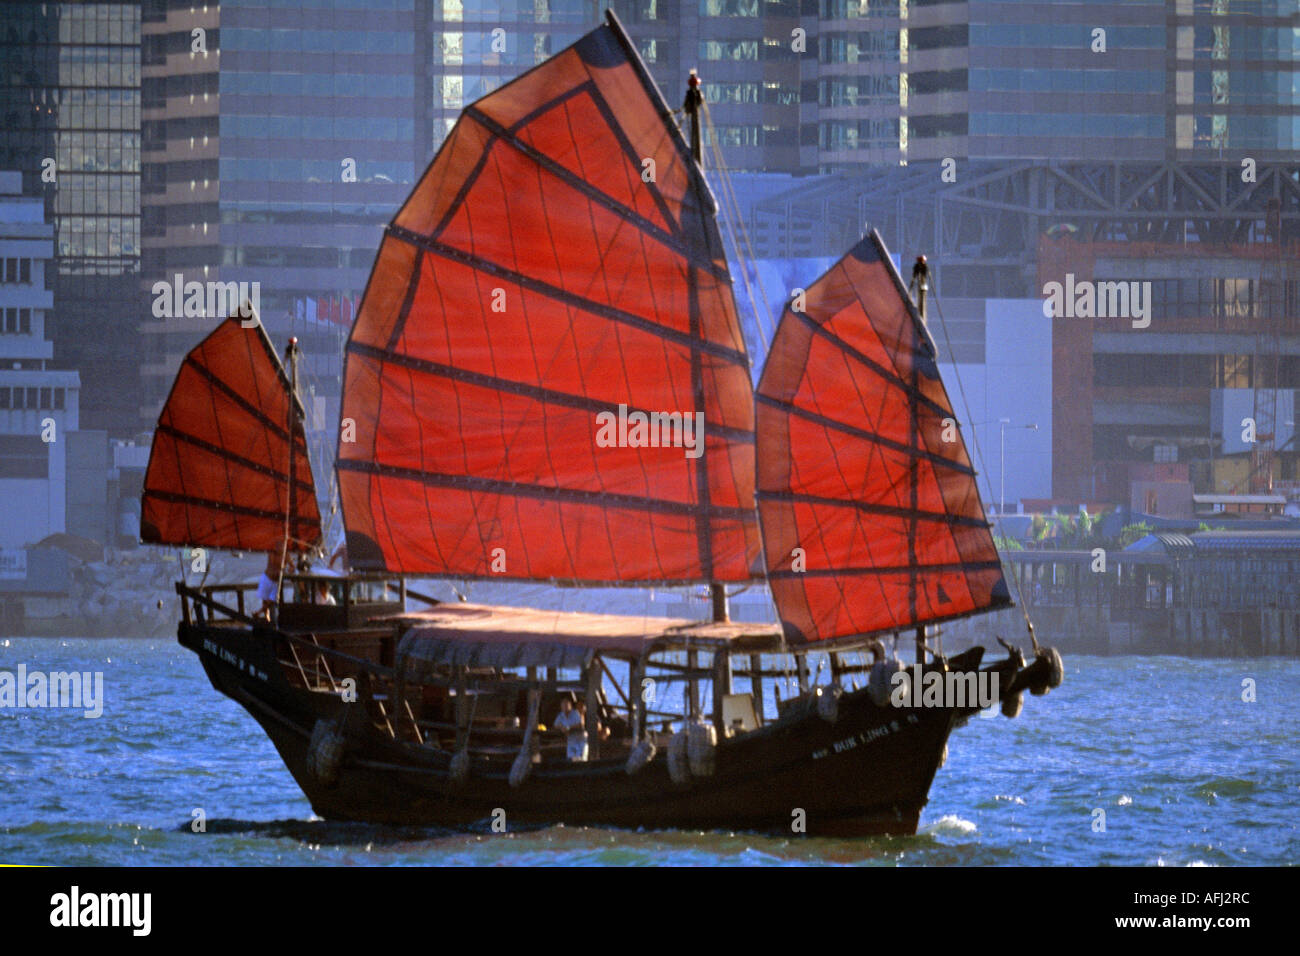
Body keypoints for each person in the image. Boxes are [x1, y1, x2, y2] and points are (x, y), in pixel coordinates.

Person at [553, 697, 588, 762]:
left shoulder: (575, 713)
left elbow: (580, 725)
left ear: (570, 706)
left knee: (581, 761)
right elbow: (555, 725)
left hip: (580, 741)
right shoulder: (561, 715)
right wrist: (561, 727)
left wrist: (569, 728)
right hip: (571, 741)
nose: (565, 707)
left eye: (567, 705)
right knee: (571, 761)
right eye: (563, 705)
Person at [257, 552, 283, 621]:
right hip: (267, 580)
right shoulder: (271, 555)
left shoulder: (284, 557)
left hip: (274, 582)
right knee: (266, 600)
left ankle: (261, 613)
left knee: (271, 601)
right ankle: (266, 617)